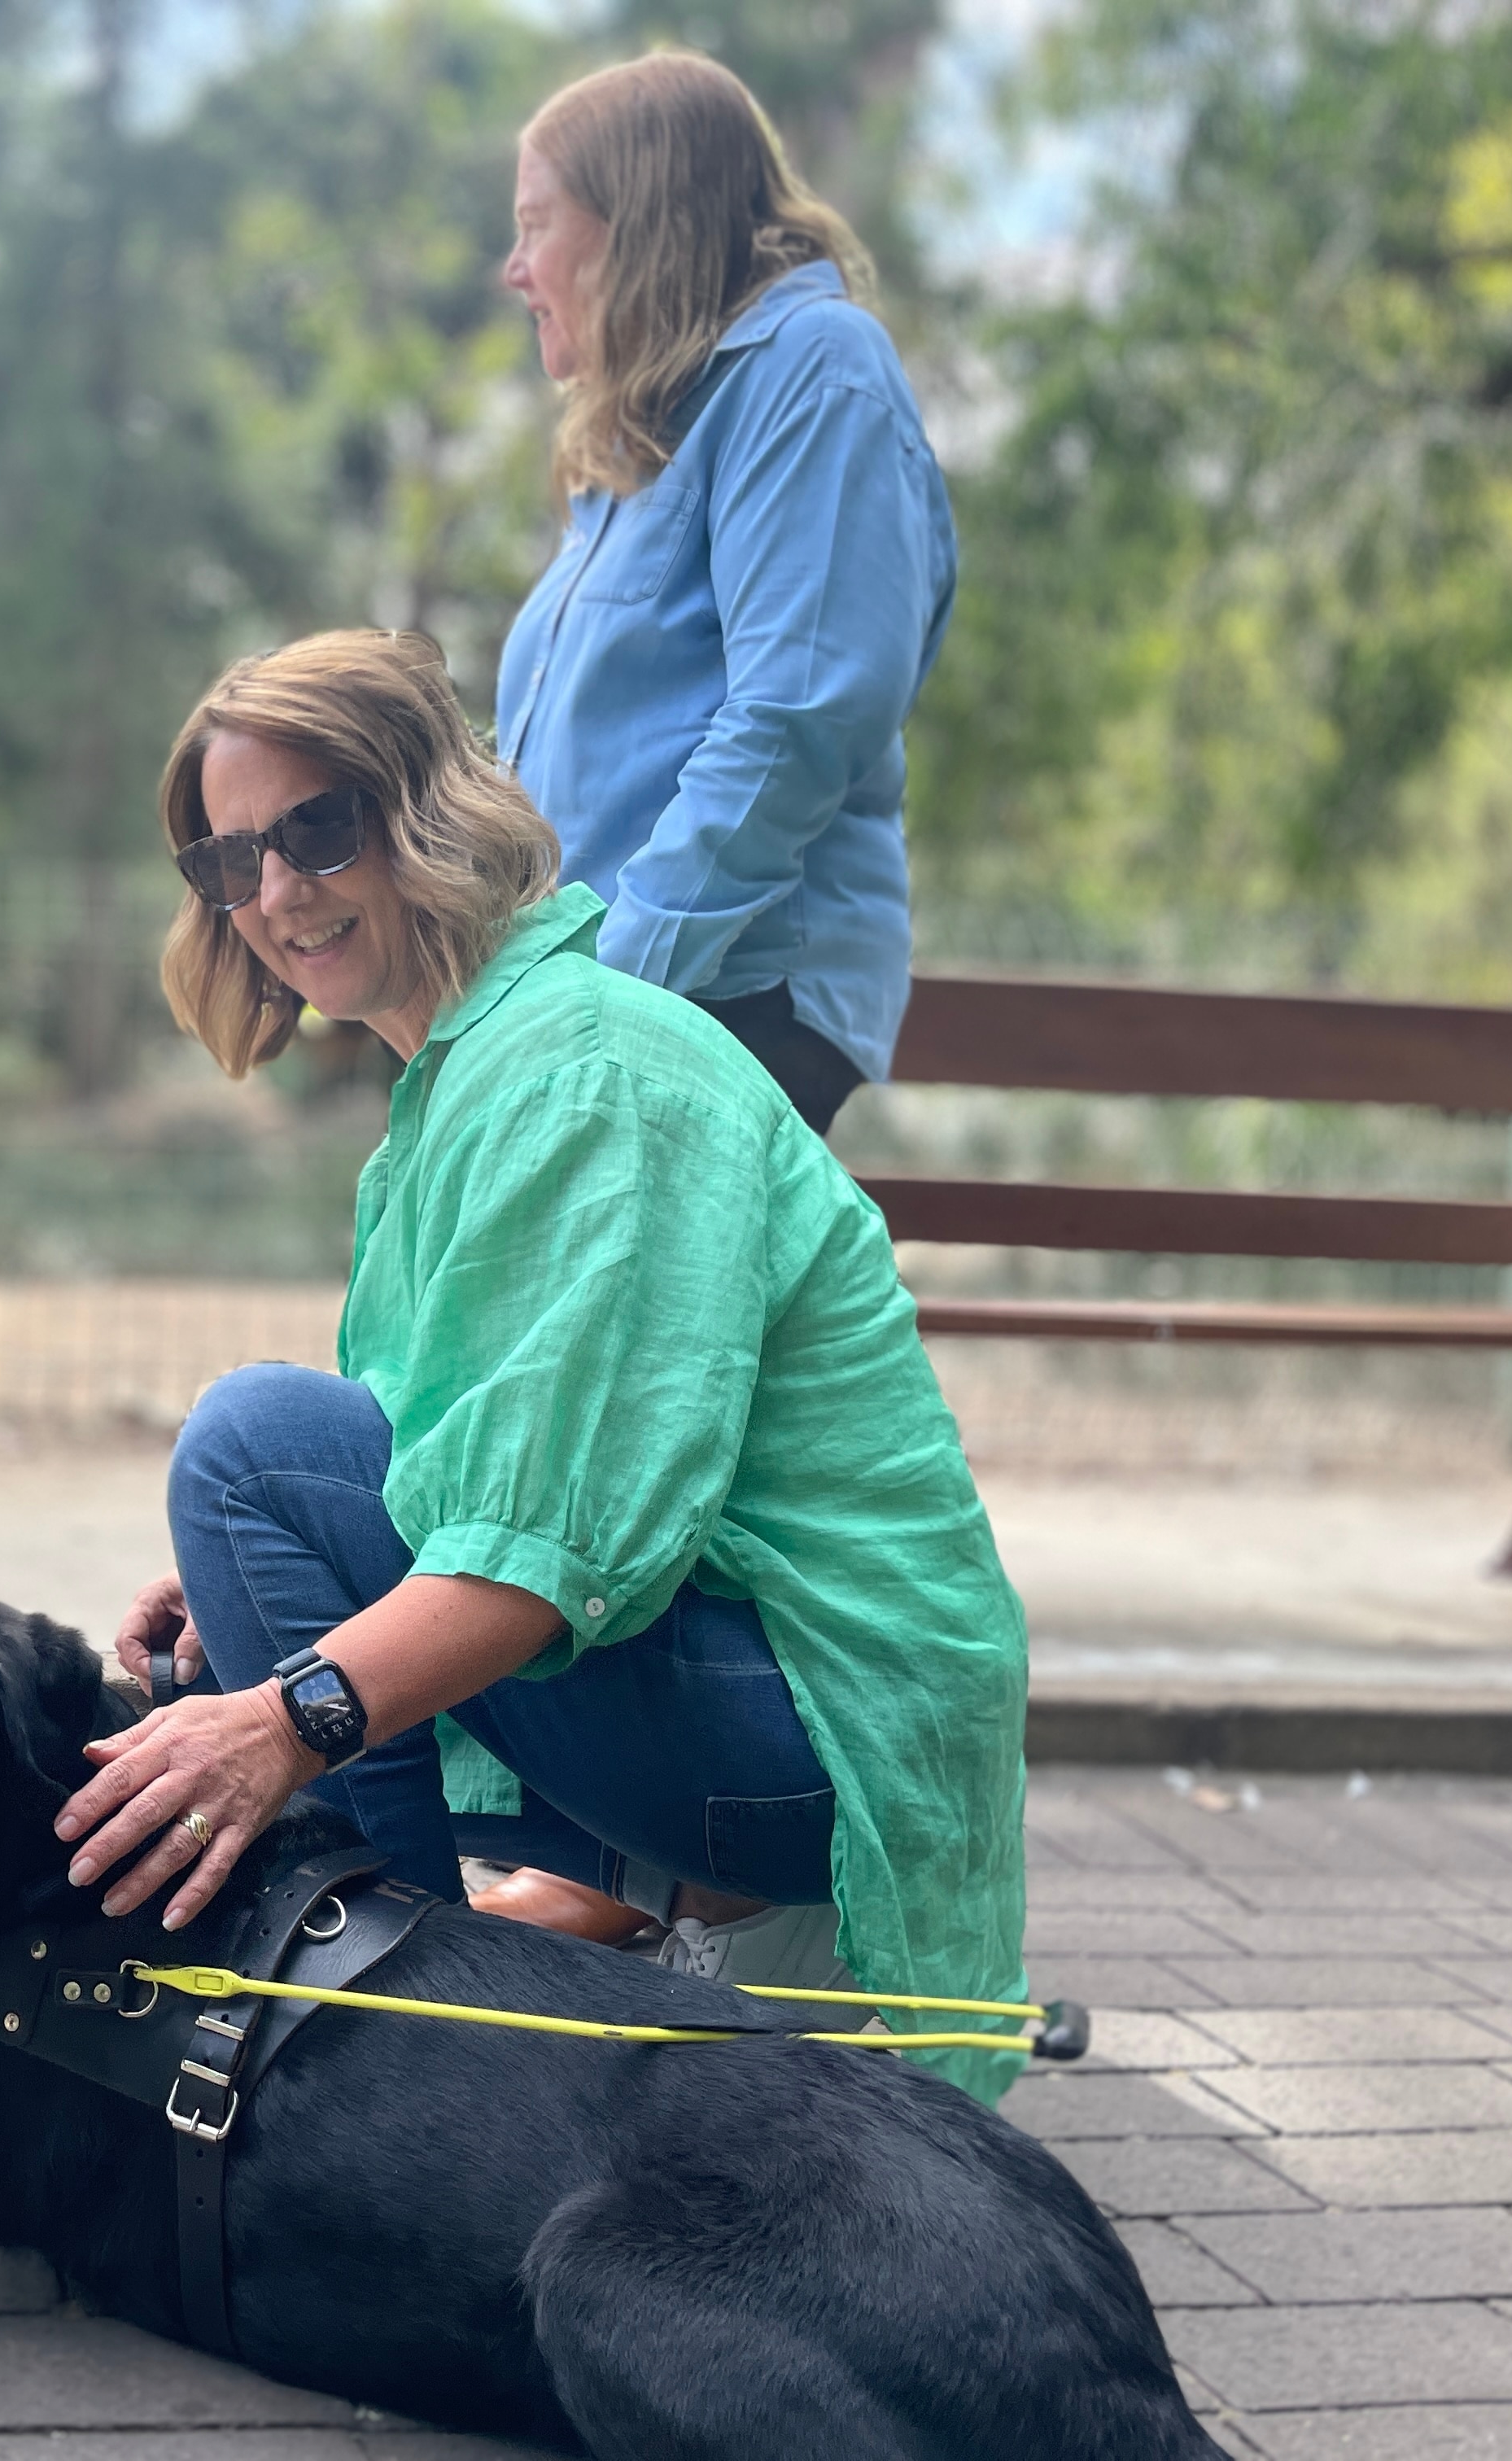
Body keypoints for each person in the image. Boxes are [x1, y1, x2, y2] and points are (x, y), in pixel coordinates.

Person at [69, 629, 1029, 2105]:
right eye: (228, 861)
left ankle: (392, 2041)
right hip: (760, 1699)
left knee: (255, 1445)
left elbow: (545, 1556)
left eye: (318, 828)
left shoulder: (585, 1073)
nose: (273, 894)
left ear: (426, 814)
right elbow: (454, 1448)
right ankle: (491, 1948)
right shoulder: (479, 1066)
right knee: (279, 1478)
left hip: (828, 1745)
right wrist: (255, 1587)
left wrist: (279, 1722)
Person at [495, 50, 955, 1139]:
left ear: (635, 223)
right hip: (614, 999)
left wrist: (611, 1000)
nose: (514, 269)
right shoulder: (652, 433)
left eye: (535, 225)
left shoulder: (811, 366)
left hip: (724, 1000)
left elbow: (799, 718)